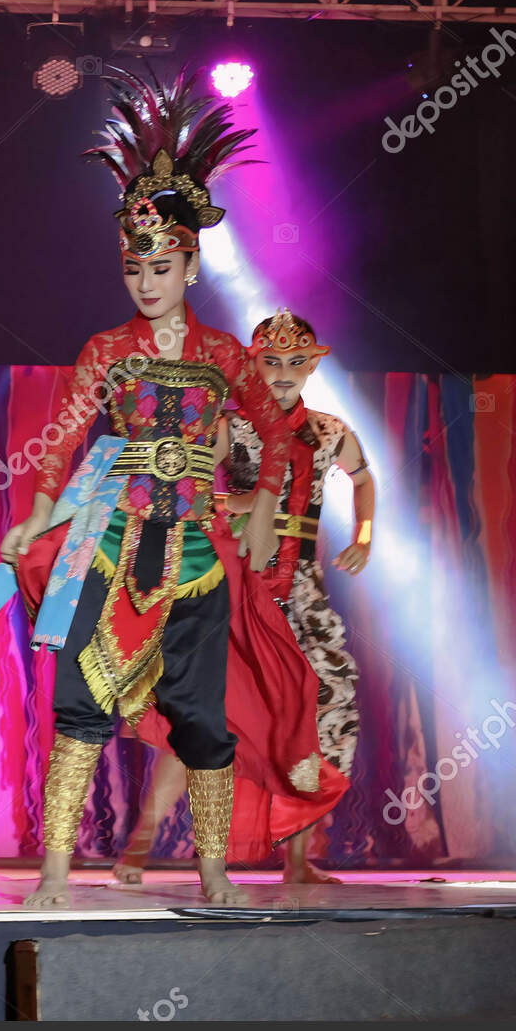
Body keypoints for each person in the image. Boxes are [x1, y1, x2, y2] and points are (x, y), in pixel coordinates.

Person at [3, 67, 319, 906]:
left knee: (203, 718)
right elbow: (61, 440)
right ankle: (56, 872)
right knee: (79, 708)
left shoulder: (224, 354)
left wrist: (264, 511)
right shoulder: (106, 350)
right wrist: (39, 516)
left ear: (192, 263)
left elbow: (281, 433)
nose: (146, 281)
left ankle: (213, 868)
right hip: (107, 545)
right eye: (133, 266)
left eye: (162, 264)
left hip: (198, 561)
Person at [117, 310, 364, 884]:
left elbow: (363, 477)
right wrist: (245, 505)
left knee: (316, 713)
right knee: (202, 715)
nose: (283, 373)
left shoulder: (330, 430)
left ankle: (298, 860)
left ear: (312, 366)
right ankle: (140, 843)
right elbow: (192, 488)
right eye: (270, 362)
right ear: (252, 366)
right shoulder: (234, 424)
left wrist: (365, 534)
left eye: (295, 362)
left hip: (302, 592)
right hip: (242, 583)